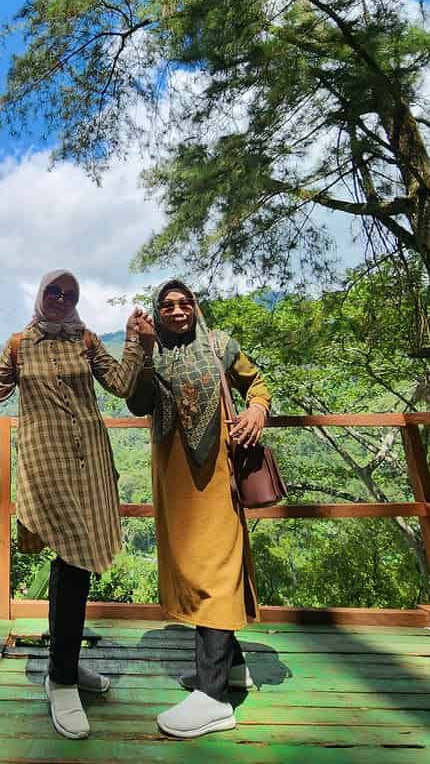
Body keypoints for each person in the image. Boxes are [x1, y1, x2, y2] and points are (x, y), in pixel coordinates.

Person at [0, 270, 154, 741]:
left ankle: (63, 665)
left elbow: (120, 384)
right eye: (53, 291)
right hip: (46, 464)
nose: (60, 299)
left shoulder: (86, 339)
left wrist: (135, 340)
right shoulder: (19, 344)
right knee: (72, 560)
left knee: (79, 564)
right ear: (40, 295)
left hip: (90, 459)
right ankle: (63, 680)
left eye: (69, 294)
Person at [126, 279, 271, 739]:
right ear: (157, 312)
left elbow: (258, 383)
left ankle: (212, 699)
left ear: (195, 307)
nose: (177, 311)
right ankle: (230, 668)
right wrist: (142, 351)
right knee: (193, 567)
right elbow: (136, 403)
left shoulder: (220, 344)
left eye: (184, 303)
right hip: (175, 480)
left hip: (218, 475)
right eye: (167, 305)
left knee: (215, 568)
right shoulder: (154, 354)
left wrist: (257, 412)